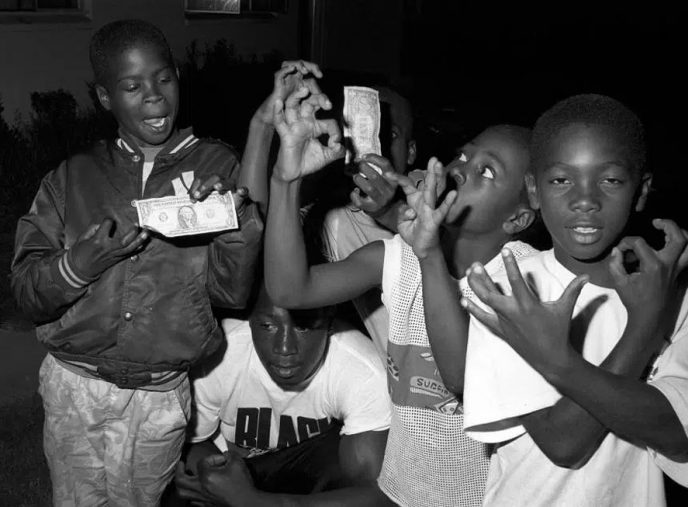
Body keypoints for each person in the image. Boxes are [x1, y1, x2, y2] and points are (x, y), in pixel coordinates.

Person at [10, 19, 262, 506]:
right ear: (106, 97)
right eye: (132, 86)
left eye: (164, 79)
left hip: (159, 394)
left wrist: (232, 218)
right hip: (75, 386)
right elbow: (27, 293)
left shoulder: (216, 169)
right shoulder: (73, 177)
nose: (154, 96)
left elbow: (231, 293)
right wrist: (80, 263)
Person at [263, 83, 537, 506]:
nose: (461, 168)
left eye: (487, 171)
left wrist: (426, 251)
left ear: (518, 217)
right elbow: (288, 289)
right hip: (400, 490)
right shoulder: (396, 257)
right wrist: (286, 180)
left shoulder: (527, 278)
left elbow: (462, 379)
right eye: (462, 155)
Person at [459, 94, 688, 505]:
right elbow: (564, 444)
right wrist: (643, 327)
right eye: (561, 179)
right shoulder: (507, 287)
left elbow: (679, 434)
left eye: (611, 180)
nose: (585, 200)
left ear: (641, 190)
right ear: (533, 190)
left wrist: (556, 362)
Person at [173, 280, 391, 505]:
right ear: (250, 318)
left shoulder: (362, 370)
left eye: (303, 326)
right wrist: (207, 478)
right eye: (267, 326)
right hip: (236, 474)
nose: (284, 348)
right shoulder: (219, 353)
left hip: (304, 490)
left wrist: (251, 501)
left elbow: (377, 495)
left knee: (339, 458)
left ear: (329, 319)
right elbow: (192, 442)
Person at [320, 85, 418, 357]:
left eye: (390, 133)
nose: (377, 144)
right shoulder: (336, 219)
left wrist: (391, 212)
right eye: (364, 131)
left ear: (410, 152)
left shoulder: (443, 207)